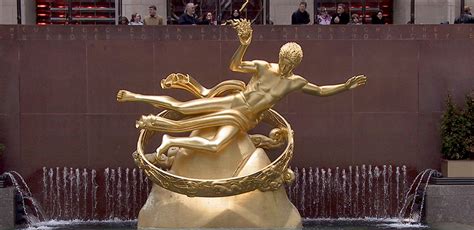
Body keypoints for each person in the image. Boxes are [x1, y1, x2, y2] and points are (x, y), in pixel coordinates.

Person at [117, 20, 366, 161]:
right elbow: (235, 65)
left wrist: (345, 86)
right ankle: (135, 96)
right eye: (284, 61)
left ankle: (171, 140)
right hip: (234, 102)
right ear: (280, 56)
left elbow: (320, 90)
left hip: (244, 118)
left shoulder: (295, 82)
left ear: (297, 63)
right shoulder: (263, 67)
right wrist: (243, 45)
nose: (286, 66)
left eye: (291, 64)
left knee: (216, 145)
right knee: (181, 107)